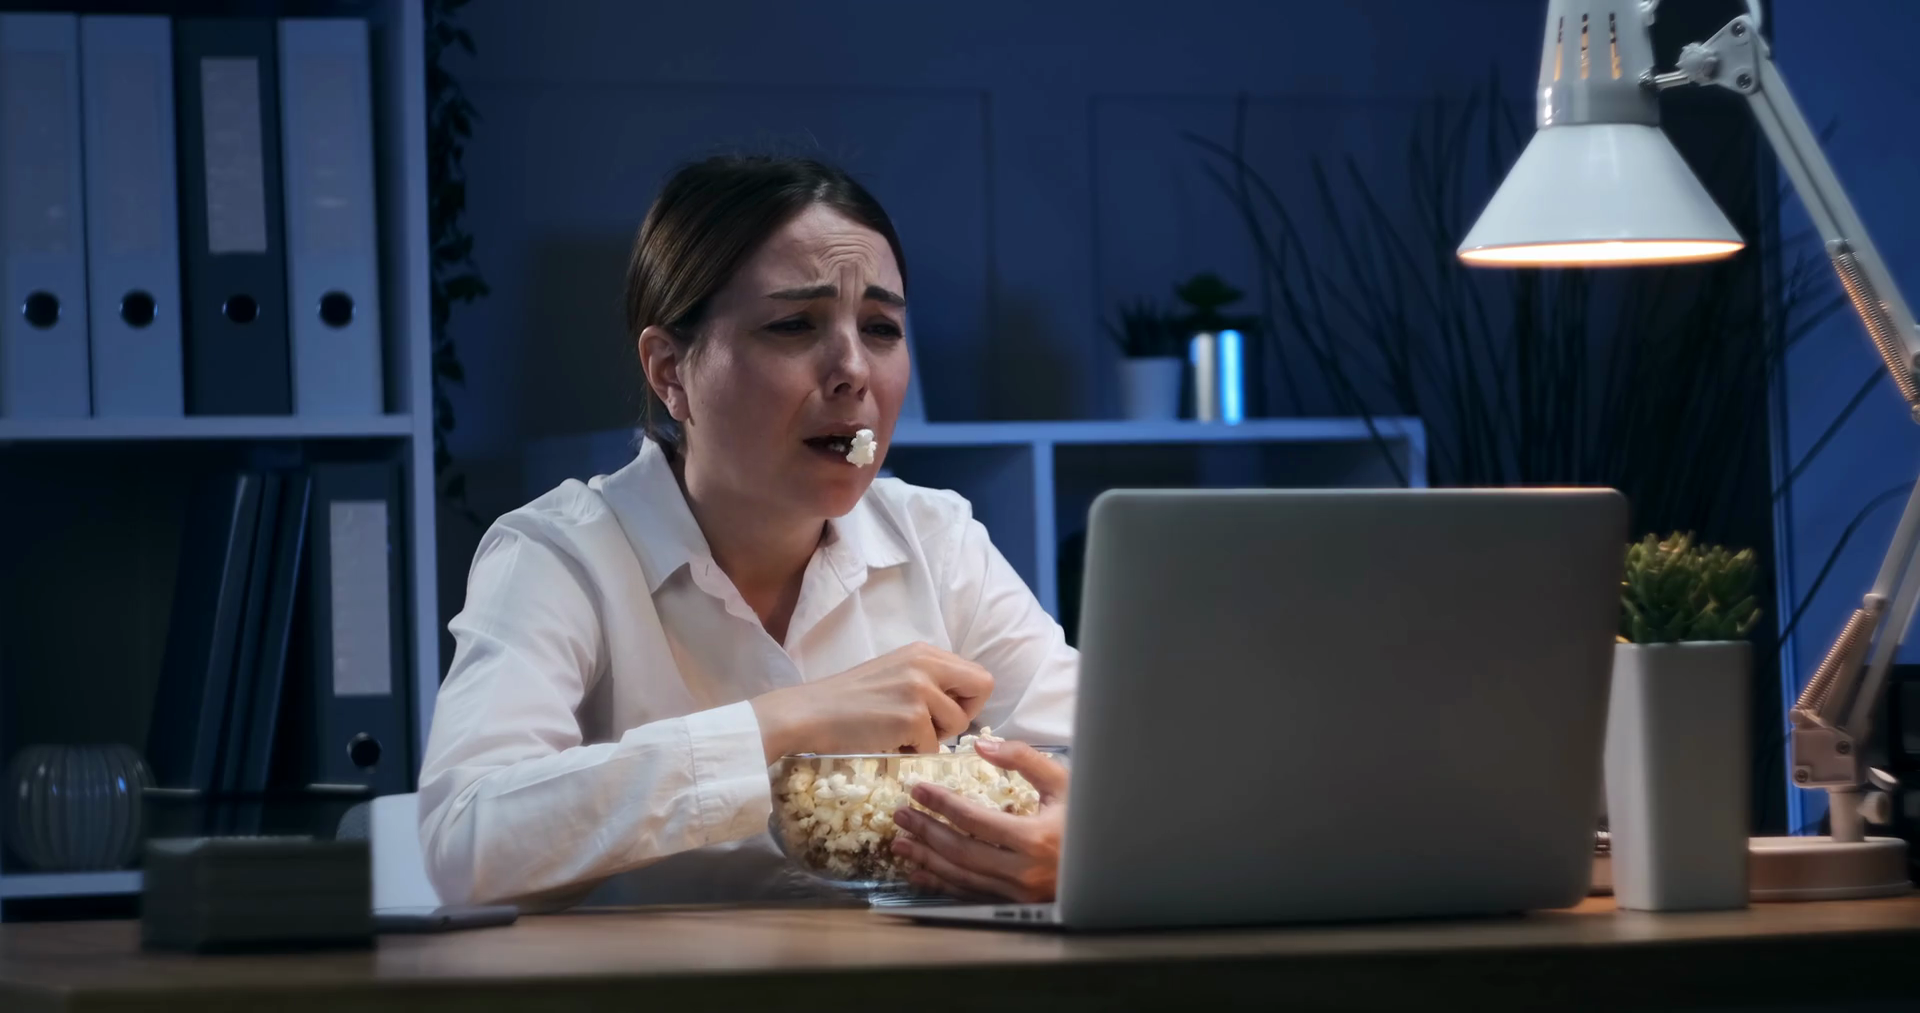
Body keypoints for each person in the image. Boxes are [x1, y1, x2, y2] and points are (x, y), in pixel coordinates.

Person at [418, 155, 1078, 910]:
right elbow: (464, 842)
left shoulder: (938, 538)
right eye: (794, 325)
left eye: (881, 328)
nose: (853, 371)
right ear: (671, 371)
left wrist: (1078, 838)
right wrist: (789, 722)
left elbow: (1129, 766)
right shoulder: (560, 555)